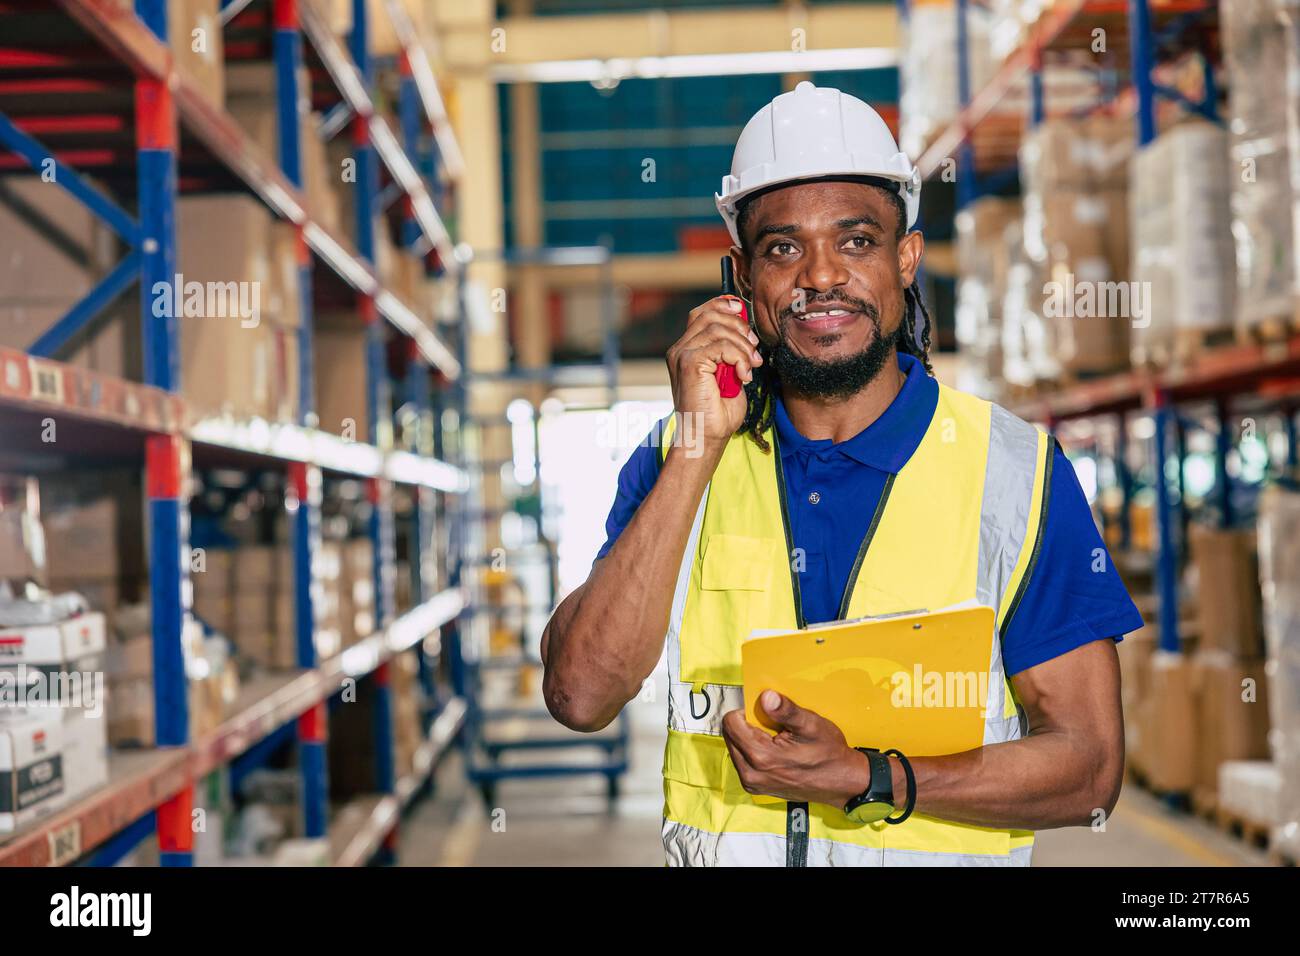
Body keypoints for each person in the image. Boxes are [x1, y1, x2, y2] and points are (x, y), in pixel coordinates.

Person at [540, 82, 1142, 867]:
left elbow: (1090, 769)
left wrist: (874, 777)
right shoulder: (673, 459)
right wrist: (698, 446)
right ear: (741, 279)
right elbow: (581, 695)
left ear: (906, 258)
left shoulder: (1016, 473)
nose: (821, 275)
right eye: (783, 248)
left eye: (856, 241)